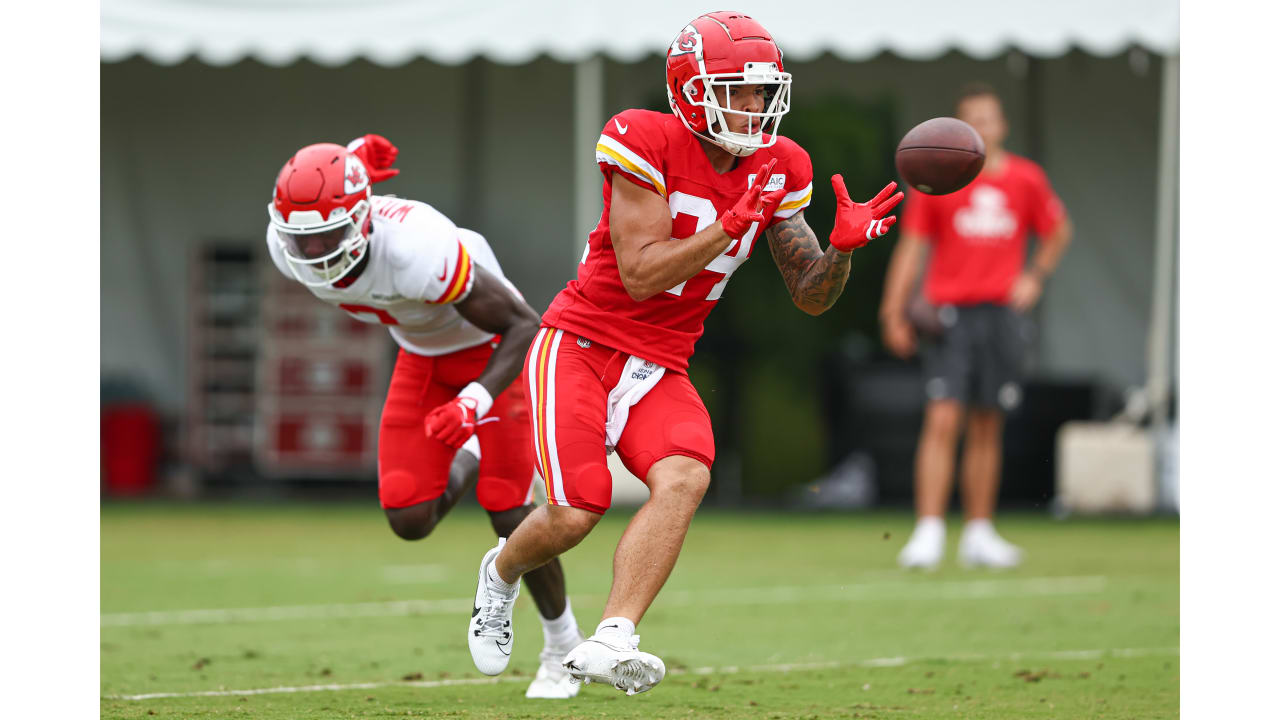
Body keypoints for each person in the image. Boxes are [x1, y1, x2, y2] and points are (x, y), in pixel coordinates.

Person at [465, 11, 902, 695]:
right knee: (577, 511)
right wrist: (729, 224)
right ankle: (500, 574)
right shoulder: (642, 138)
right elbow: (640, 273)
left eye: (763, 91)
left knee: (686, 477)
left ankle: (613, 637)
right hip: (582, 342)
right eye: (739, 89)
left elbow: (811, 296)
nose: (756, 106)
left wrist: (841, 249)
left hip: (659, 361)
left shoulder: (780, 164)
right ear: (693, 89)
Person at [265, 136, 585, 698]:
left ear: (362, 219)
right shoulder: (288, 245)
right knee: (409, 515)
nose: (314, 249)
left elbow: (523, 324)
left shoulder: (418, 250)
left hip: (493, 353)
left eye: (328, 233)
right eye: (302, 236)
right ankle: (477, 448)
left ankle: (562, 647)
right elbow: (326, 195)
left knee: (508, 510)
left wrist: (474, 401)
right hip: (422, 355)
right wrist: (354, 154)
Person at [879, 83, 1073, 570]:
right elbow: (912, 247)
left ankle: (980, 532)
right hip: (950, 314)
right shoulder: (939, 179)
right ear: (956, 129)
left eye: (990, 118)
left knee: (988, 423)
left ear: (1001, 125)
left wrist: (1034, 277)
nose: (982, 127)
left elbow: (1058, 230)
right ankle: (928, 531)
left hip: (1000, 315)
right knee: (943, 419)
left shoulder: (1026, 179)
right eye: (972, 119)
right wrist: (893, 309)